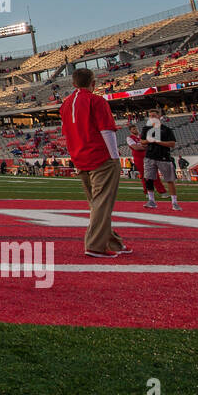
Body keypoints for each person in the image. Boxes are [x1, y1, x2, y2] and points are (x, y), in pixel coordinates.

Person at [59, 69, 129, 258]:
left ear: (74, 84)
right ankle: (95, 245)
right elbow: (107, 130)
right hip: (100, 157)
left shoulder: (65, 105)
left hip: (79, 157)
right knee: (102, 203)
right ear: (93, 83)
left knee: (97, 204)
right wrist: (115, 157)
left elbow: (66, 134)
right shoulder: (96, 100)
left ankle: (113, 242)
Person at [141, 109, 181, 211]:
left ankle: (174, 202)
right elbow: (142, 142)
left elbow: (172, 144)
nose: (152, 117)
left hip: (163, 156)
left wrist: (158, 142)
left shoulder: (166, 129)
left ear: (159, 116)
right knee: (148, 179)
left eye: (154, 115)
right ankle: (151, 200)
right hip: (150, 156)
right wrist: (150, 140)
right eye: (150, 116)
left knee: (169, 180)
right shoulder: (146, 128)